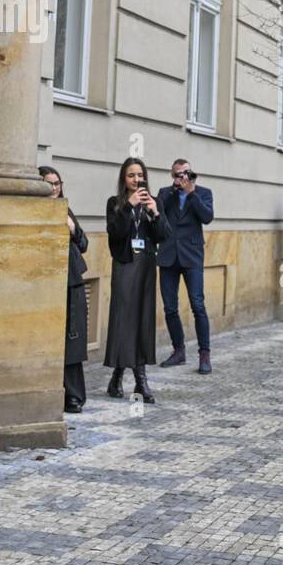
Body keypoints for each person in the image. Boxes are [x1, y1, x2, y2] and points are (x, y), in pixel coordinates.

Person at [105, 158, 170, 403]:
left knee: (141, 319)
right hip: (124, 265)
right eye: (131, 175)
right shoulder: (115, 203)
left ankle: (119, 377)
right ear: (124, 178)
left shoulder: (153, 202)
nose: (135, 179)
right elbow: (115, 233)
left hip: (145, 266)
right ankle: (140, 381)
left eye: (139, 175)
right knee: (125, 319)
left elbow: (164, 235)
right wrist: (127, 208)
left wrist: (155, 213)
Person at [156, 159, 215, 374]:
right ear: (172, 176)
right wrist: (175, 191)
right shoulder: (165, 193)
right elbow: (159, 216)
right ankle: (178, 350)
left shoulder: (203, 193)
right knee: (170, 307)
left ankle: (204, 354)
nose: (181, 177)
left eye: (185, 173)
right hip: (168, 256)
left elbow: (207, 217)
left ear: (191, 174)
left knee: (198, 305)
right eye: (177, 174)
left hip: (192, 256)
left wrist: (191, 193)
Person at [40, 166, 88, 414]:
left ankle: (73, 395)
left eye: (57, 183)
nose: (54, 188)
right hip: (45, 283)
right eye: (49, 184)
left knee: (73, 339)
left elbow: (84, 243)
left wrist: (72, 228)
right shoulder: (35, 211)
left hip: (71, 281)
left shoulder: (66, 209)